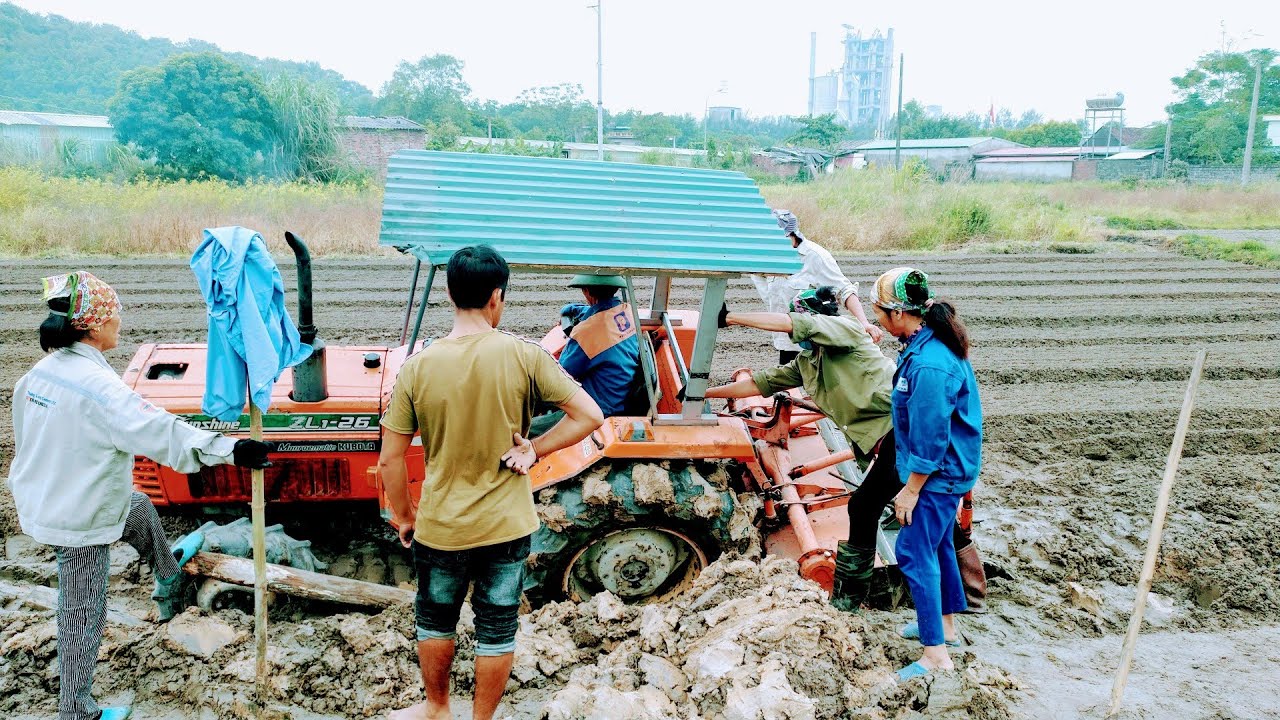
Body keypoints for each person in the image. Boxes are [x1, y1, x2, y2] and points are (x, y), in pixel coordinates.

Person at [7, 271, 272, 720]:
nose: (120, 322)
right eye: (115, 315)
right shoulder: (100, 391)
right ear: (94, 325)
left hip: (47, 493)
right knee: (83, 611)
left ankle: (169, 573)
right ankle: (77, 711)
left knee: (138, 507)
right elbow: (160, 430)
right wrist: (231, 450)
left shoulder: (40, 374)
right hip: (77, 519)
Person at [378, 246, 604, 720]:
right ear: (497, 296)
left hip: (441, 526)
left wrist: (406, 516)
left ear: (448, 294)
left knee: (435, 620)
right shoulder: (525, 355)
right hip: (506, 526)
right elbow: (590, 415)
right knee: (497, 628)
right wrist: (535, 448)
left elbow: (391, 460)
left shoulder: (417, 367)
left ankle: (437, 708)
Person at [704, 286, 898, 612]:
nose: (796, 333)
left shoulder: (847, 330)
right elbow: (759, 383)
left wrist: (730, 318)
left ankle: (853, 597)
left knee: (870, 507)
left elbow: (794, 324)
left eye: (800, 322)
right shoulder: (807, 362)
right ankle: (858, 594)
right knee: (878, 506)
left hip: (903, 430)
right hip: (878, 441)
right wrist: (702, 394)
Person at [870, 267, 983, 682]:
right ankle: (945, 627)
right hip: (946, 469)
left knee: (914, 551)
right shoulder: (925, 344)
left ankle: (935, 655)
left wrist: (911, 490)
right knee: (937, 546)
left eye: (879, 311)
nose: (877, 319)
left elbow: (932, 436)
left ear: (899, 313)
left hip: (938, 474)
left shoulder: (931, 365)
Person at [749, 209, 882, 365]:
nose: (775, 246)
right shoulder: (768, 258)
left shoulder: (815, 256)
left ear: (792, 235)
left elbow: (844, 290)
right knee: (788, 378)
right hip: (787, 341)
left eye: (779, 240)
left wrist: (864, 323)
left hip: (817, 344)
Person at [529, 274, 639, 437]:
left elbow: (560, 376)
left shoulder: (586, 333)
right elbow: (593, 312)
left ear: (586, 291)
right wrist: (568, 310)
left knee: (525, 428)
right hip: (619, 394)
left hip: (596, 408)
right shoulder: (625, 311)